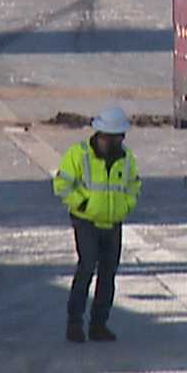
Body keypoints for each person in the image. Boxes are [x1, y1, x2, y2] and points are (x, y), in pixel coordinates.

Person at [53, 105, 142, 343]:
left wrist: (125, 207)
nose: (114, 142)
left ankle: (99, 324)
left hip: (112, 222)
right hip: (86, 222)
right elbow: (61, 186)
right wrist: (83, 205)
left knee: (108, 273)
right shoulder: (78, 155)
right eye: (111, 138)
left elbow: (134, 185)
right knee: (87, 267)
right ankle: (74, 323)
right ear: (100, 135)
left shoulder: (126, 159)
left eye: (118, 138)